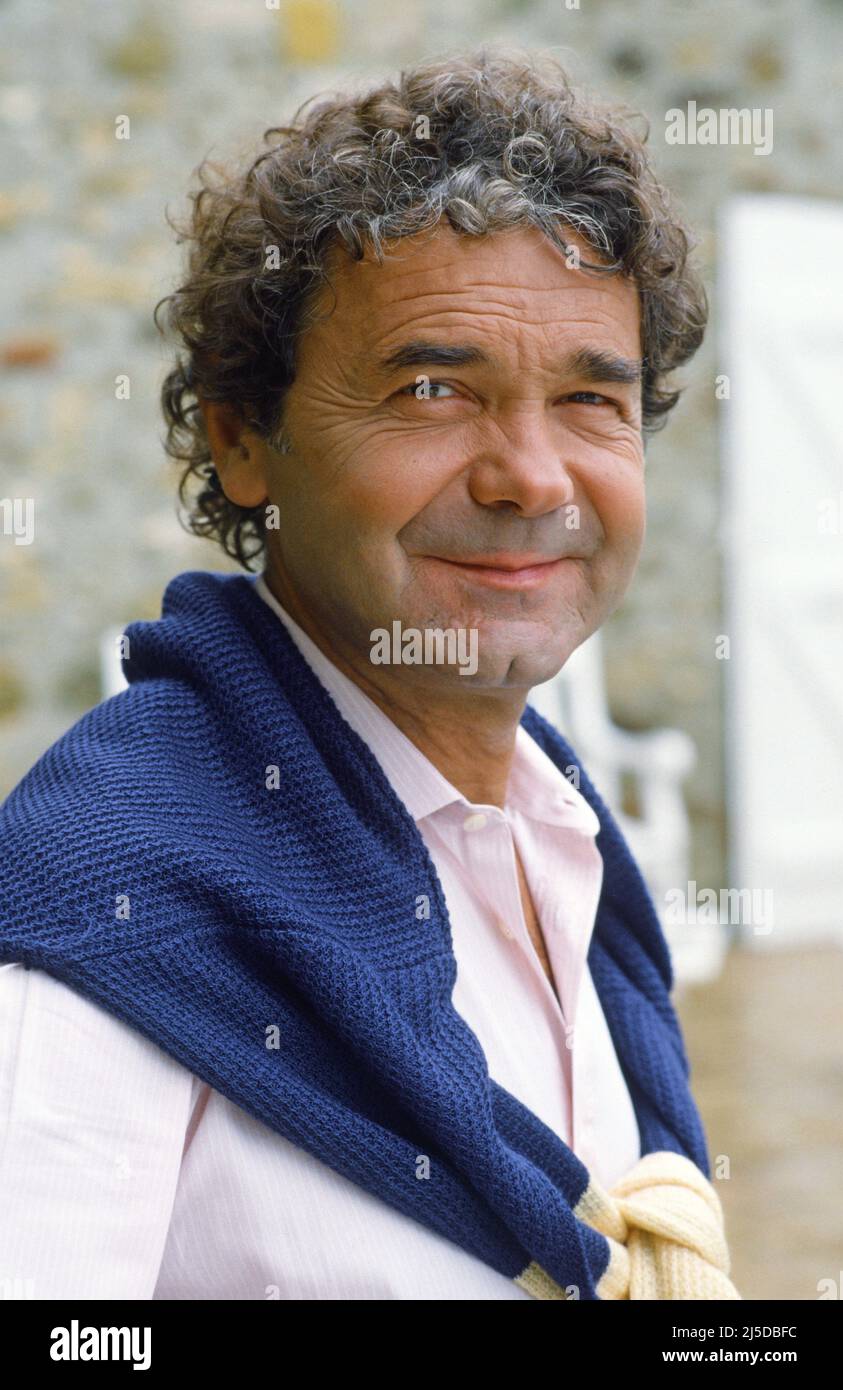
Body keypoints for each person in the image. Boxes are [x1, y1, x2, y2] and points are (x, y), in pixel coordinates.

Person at [0, 47, 739, 1300]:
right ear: (243, 441)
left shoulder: (568, 845)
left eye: (589, 401)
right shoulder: (96, 915)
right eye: (434, 387)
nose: (533, 478)